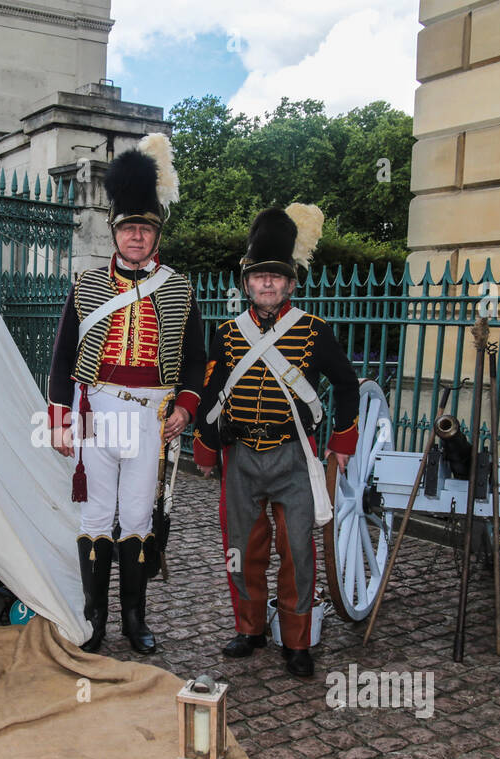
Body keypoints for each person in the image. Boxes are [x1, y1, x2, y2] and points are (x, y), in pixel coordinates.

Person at [46, 135, 206, 655]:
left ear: (156, 234)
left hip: (152, 415)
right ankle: (95, 618)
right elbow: (63, 355)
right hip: (99, 409)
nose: (136, 236)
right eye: (128, 228)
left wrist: (186, 406)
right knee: (96, 516)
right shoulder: (87, 284)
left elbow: (198, 359)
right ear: (115, 231)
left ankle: (134, 618)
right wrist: (59, 417)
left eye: (145, 228)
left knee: (138, 518)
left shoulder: (179, 288)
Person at [193, 204, 359, 677]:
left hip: (293, 454)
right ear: (247, 283)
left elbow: (347, 385)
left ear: (290, 284)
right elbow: (211, 392)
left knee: (298, 552)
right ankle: (249, 630)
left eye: (276, 278)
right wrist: (206, 446)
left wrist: (342, 441)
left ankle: (297, 641)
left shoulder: (313, 331)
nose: (267, 284)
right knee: (242, 549)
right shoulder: (228, 334)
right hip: (240, 455)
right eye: (259, 277)